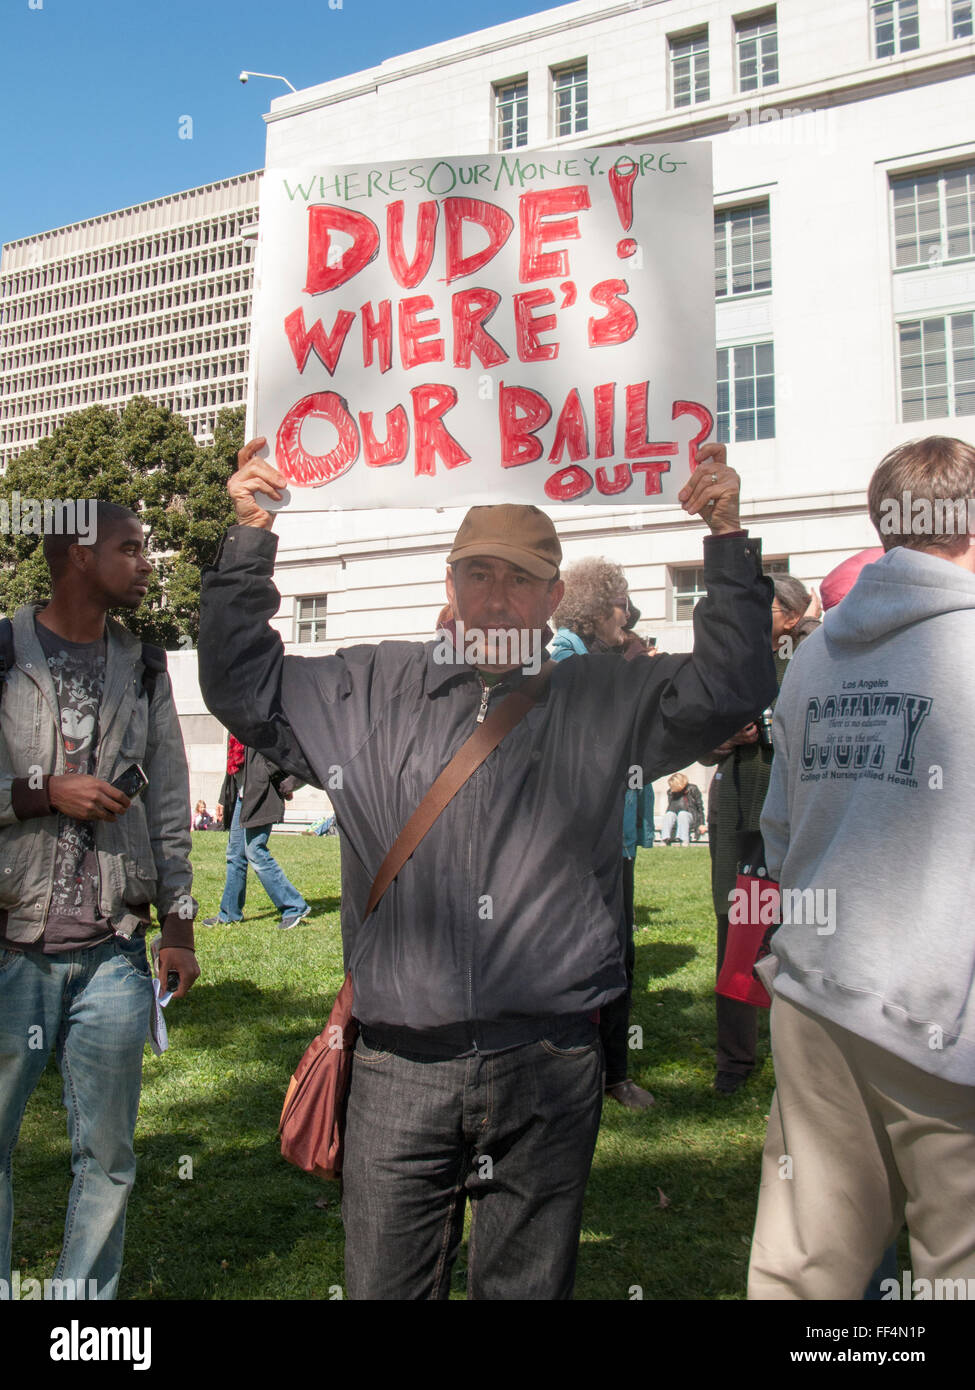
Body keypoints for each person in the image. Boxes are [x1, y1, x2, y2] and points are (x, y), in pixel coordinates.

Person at [198, 435, 777, 1300]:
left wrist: (727, 541)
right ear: (449, 584)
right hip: (398, 1066)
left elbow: (732, 685)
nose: (495, 597)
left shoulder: (604, 696)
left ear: (551, 596)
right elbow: (243, 687)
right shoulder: (369, 684)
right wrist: (249, 537)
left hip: (547, 1060)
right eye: (477, 574)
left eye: (517, 579)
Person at [748, 436, 975, 1299]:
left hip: (818, 988)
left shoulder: (814, 653)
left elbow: (779, 825)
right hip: (939, 1008)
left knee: (809, 1263)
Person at [0, 501, 199, 1300]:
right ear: (77, 554)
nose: (147, 562)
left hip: (115, 949)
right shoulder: (3, 649)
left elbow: (171, 802)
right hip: (11, 944)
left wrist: (178, 925)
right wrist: (44, 792)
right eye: (130, 547)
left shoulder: (146, 665)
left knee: (110, 1158)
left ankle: (77, 1313)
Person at [549, 559, 654, 1111]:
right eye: (622, 602)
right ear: (593, 608)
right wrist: (632, 672)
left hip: (614, 832)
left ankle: (612, 1070)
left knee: (619, 951)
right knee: (590, 948)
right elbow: (587, 723)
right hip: (582, 835)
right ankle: (589, 1071)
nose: (629, 613)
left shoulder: (608, 657)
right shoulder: (565, 654)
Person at [703, 574, 814, 1096]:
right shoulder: (736, 663)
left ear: (791, 617)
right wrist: (727, 737)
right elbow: (701, 745)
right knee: (738, 935)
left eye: (766, 609)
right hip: (737, 817)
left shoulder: (815, 661)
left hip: (791, 816)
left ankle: (804, 1061)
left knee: (796, 934)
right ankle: (734, 1062)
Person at [203, 735, 311, 931]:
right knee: (235, 853)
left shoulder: (258, 714)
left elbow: (285, 750)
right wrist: (222, 798)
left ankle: (294, 907)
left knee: (255, 850)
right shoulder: (234, 719)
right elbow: (232, 764)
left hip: (261, 792)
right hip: (241, 795)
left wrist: (274, 776)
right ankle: (229, 912)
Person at [659, 772, 705, 846]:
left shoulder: (692, 789)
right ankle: (665, 838)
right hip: (676, 817)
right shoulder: (671, 792)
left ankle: (684, 840)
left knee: (682, 814)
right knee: (669, 814)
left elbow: (700, 807)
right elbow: (670, 807)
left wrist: (702, 824)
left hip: (690, 817)